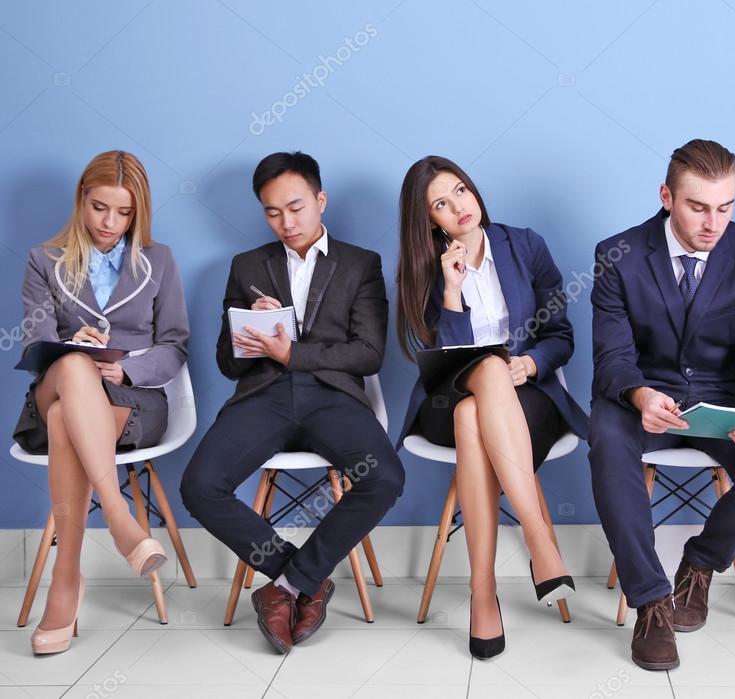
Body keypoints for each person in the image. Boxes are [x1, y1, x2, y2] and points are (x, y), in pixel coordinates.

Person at [180, 151, 404, 654]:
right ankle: (299, 577)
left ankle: (285, 588)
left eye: (296, 207)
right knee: (199, 486)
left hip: (333, 398)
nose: (286, 221)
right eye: (272, 212)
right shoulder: (246, 266)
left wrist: (292, 352)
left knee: (386, 476)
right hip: (263, 397)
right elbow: (227, 363)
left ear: (320, 201)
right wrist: (249, 331)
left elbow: (368, 354)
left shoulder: (360, 263)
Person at [588, 139, 735, 670]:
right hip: (640, 393)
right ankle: (652, 603)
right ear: (666, 196)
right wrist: (638, 394)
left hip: (725, 399)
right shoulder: (618, 254)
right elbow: (611, 357)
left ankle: (700, 564)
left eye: (725, 207)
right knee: (608, 444)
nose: (713, 222)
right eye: (698, 206)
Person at [395, 156, 588, 659]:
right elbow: (446, 359)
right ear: (429, 221)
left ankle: (483, 596)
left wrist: (532, 364)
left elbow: (561, 335)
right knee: (477, 383)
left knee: (476, 407)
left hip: (524, 401)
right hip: (446, 397)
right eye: (440, 203)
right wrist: (453, 290)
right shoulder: (427, 270)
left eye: (460, 190)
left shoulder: (524, 244)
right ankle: (538, 539)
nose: (458, 206)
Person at [14, 150, 189, 655]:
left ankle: (65, 580)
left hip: (130, 400)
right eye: (99, 208)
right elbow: (35, 348)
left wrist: (128, 366)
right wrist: (77, 348)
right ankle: (118, 517)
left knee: (64, 419)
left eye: (124, 212)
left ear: (139, 213)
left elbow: (176, 345)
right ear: (80, 202)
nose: (110, 223)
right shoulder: (42, 260)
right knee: (69, 372)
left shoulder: (159, 261)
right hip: (58, 379)